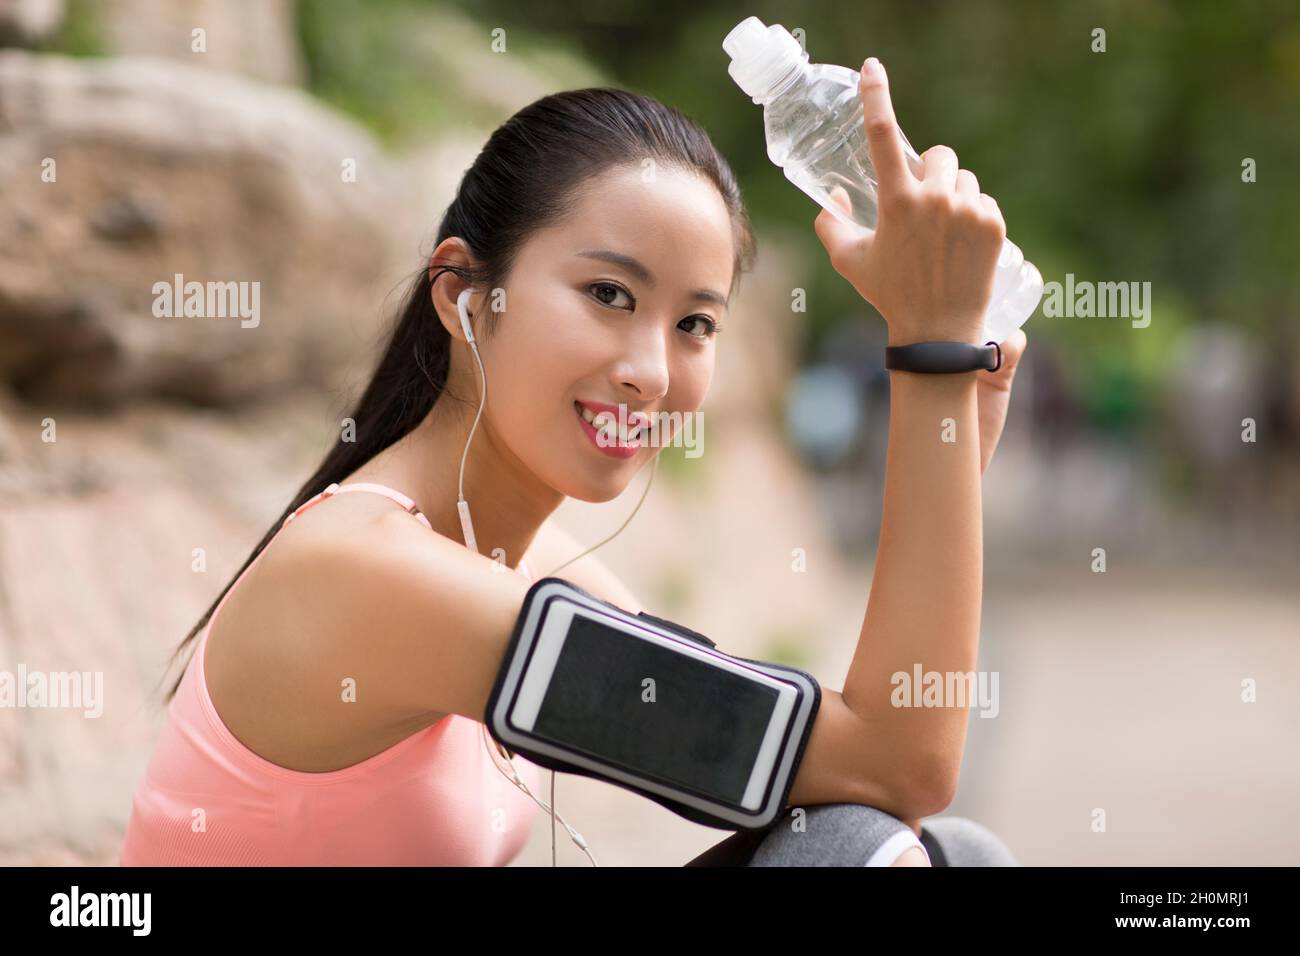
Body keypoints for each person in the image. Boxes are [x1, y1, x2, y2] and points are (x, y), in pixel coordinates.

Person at [120, 56, 1025, 867]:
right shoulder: (366, 573)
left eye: (695, 324)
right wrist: (930, 360)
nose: (650, 372)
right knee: (864, 857)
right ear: (465, 295)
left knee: (943, 854)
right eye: (608, 294)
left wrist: (950, 433)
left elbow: (847, 761)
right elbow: (893, 761)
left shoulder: (523, 560)